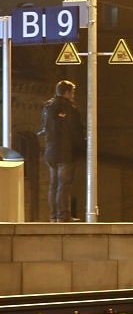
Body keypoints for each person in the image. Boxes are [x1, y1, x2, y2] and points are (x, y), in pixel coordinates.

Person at [40, 80, 85, 223]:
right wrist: (83, 149)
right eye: (72, 92)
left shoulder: (47, 107)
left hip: (50, 152)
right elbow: (77, 132)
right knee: (64, 184)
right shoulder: (71, 109)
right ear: (67, 93)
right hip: (66, 153)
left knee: (53, 183)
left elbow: (44, 129)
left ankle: (53, 216)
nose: (73, 95)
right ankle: (63, 215)